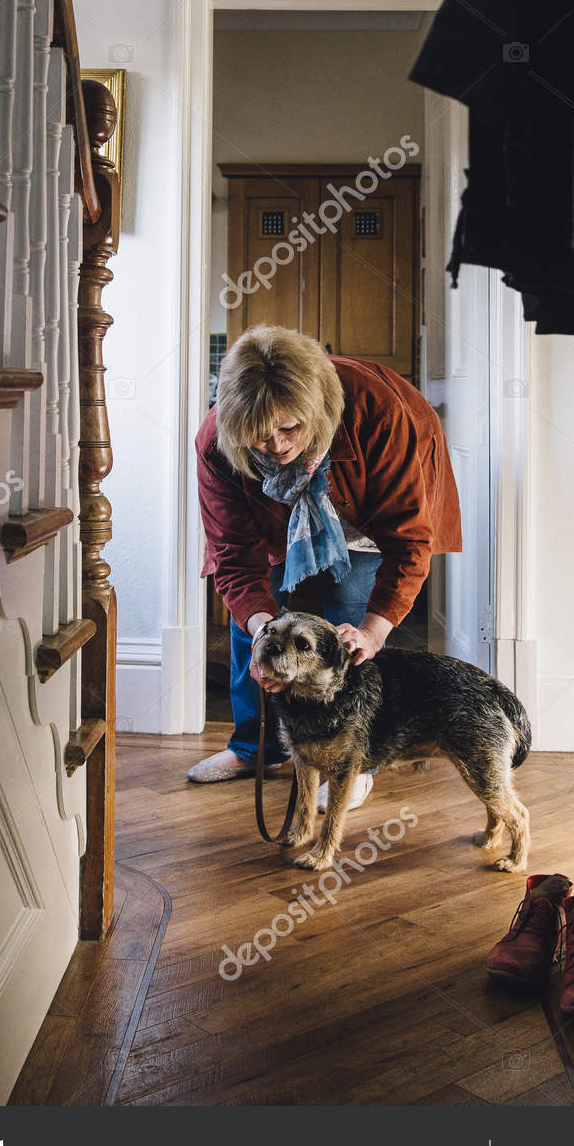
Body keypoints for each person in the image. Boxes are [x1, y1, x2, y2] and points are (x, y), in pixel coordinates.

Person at [188, 325, 462, 802]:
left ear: (314, 412)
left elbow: (407, 541)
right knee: (256, 629)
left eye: (289, 429)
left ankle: (351, 762)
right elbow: (235, 558)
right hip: (281, 517)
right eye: (259, 438)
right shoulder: (216, 442)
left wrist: (373, 632)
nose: (277, 446)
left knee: (348, 620)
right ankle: (255, 747)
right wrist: (262, 630)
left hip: (368, 511)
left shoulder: (380, 412)